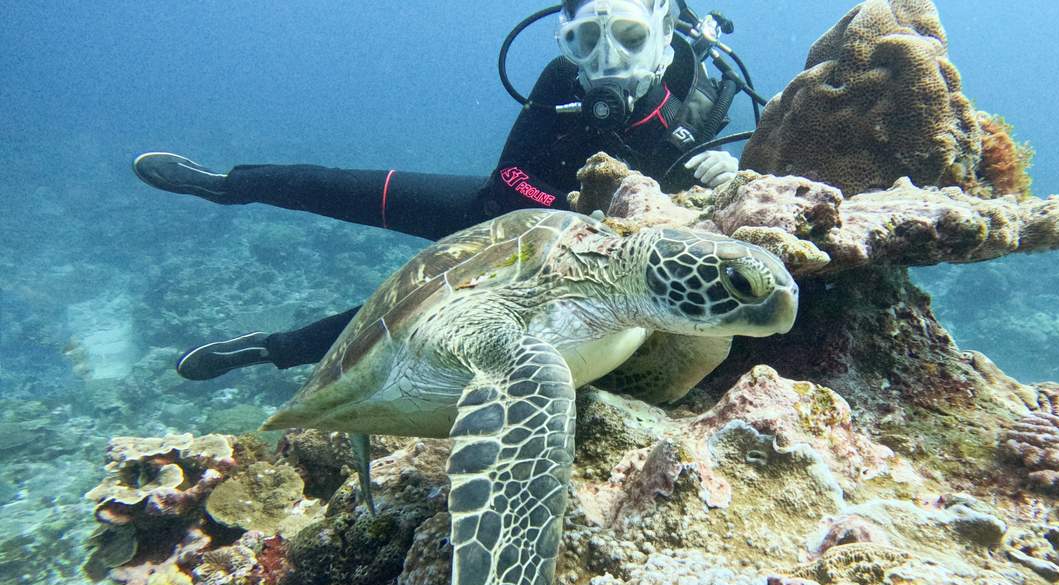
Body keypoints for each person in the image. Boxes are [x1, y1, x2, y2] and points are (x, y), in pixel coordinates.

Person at [137, 0, 743, 380]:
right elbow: (510, 176)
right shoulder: (562, 80)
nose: (605, 58)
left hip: (579, 273)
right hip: (497, 212)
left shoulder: (704, 102)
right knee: (345, 188)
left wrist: (724, 176)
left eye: (629, 37)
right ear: (567, 42)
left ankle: (269, 351)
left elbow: (708, 217)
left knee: (401, 321)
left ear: (665, 31)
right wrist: (567, 208)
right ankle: (225, 185)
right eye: (586, 40)